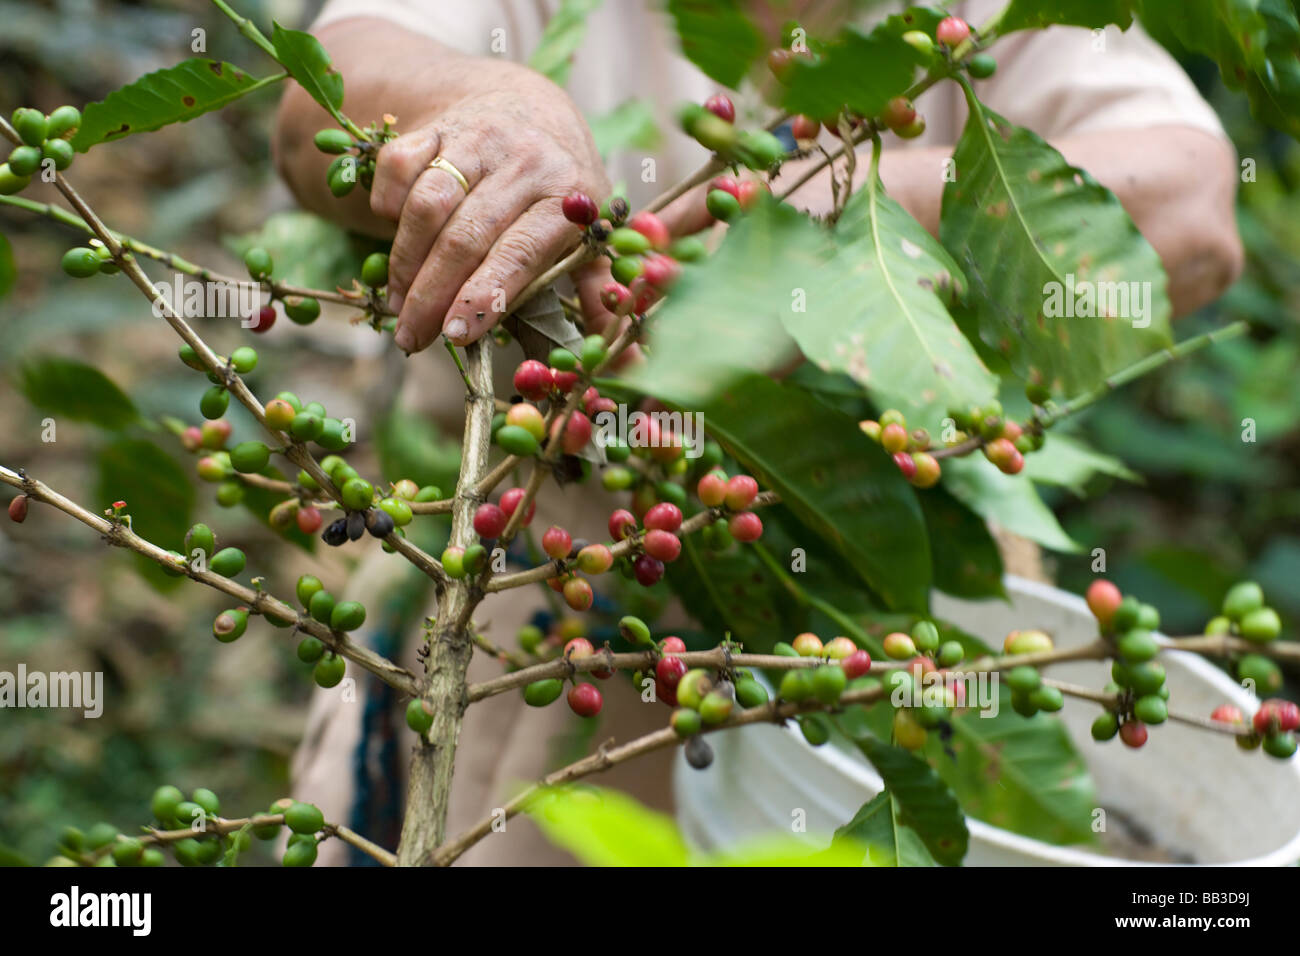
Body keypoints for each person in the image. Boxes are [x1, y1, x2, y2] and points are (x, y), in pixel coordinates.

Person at [273, 0, 1243, 865]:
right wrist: (487, 108)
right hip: (533, 595)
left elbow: (1191, 209)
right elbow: (325, 92)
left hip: (886, 622)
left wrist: (862, 217)